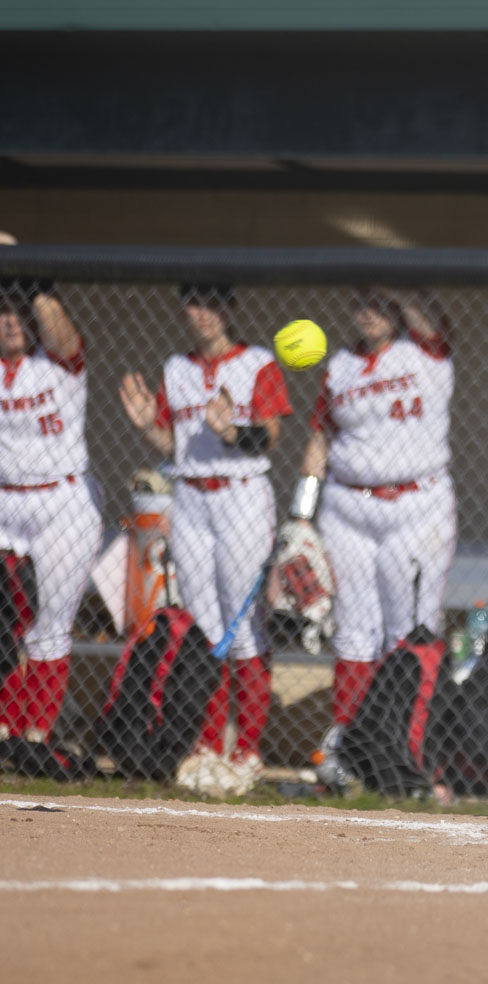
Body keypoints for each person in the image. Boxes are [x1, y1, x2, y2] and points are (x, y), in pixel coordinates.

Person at [119, 282, 292, 795]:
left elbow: (270, 436)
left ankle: (249, 751)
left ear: (231, 308)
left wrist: (234, 432)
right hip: (190, 496)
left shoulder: (257, 362)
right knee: (202, 624)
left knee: (241, 624)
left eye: (214, 302)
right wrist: (150, 428)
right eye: (194, 302)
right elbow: (173, 443)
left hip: (240, 493)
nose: (204, 313)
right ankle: (208, 744)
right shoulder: (177, 368)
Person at [288, 286, 456, 790]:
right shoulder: (338, 364)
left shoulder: (424, 352)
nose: (369, 312)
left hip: (416, 504)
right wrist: (300, 515)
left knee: (411, 633)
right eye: (361, 302)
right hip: (347, 506)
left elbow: (433, 325)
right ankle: (350, 751)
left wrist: (398, 285)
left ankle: (409, 753)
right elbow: (321, 436)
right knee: (354, 633)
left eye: (380, 304)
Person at [0, 257, 103, 766]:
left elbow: (64, 336)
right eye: (1, 312)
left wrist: (32, 279)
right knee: (6, 623)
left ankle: (34, 732)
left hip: (63, 501)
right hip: (5, 502)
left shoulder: (57, 361)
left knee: (50, 623)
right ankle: (5, 728)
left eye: (17, 311)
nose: (10, 321)